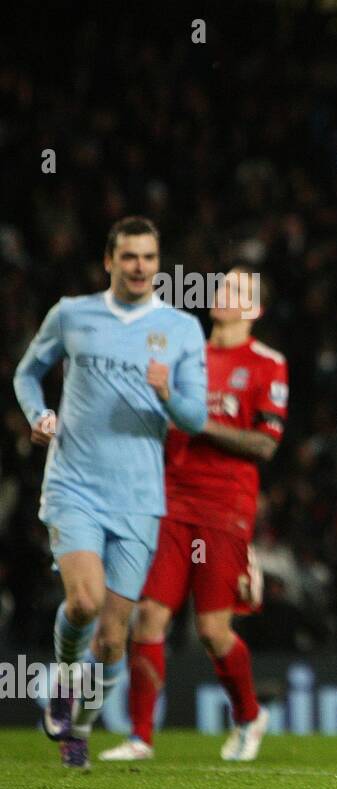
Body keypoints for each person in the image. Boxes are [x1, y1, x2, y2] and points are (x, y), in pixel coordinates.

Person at [13, 216, 208, 769]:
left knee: (114, 640)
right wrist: (39, 414)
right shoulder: (73, 314)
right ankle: (62, 682)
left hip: (140, 497)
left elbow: (194, 419)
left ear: (159, 263)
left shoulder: (181, 328)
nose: (140, 267)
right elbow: (27, 373)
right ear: (109, 261)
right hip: (74, 483)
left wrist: (168, 394)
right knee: (84, 601)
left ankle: (79, 724)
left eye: (149, 257)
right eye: (129, 257)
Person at [101, 267, 286, 762]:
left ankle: (249, 716)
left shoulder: (267, 364)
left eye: (238, 290)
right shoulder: (184, 355)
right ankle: (141, 738)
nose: (224, 294)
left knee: (212, 631)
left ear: (255, 309)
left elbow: (265, 444)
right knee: (148, 617)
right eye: (222, 286)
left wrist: (194, 419)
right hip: (171, 502)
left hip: (226, 509)